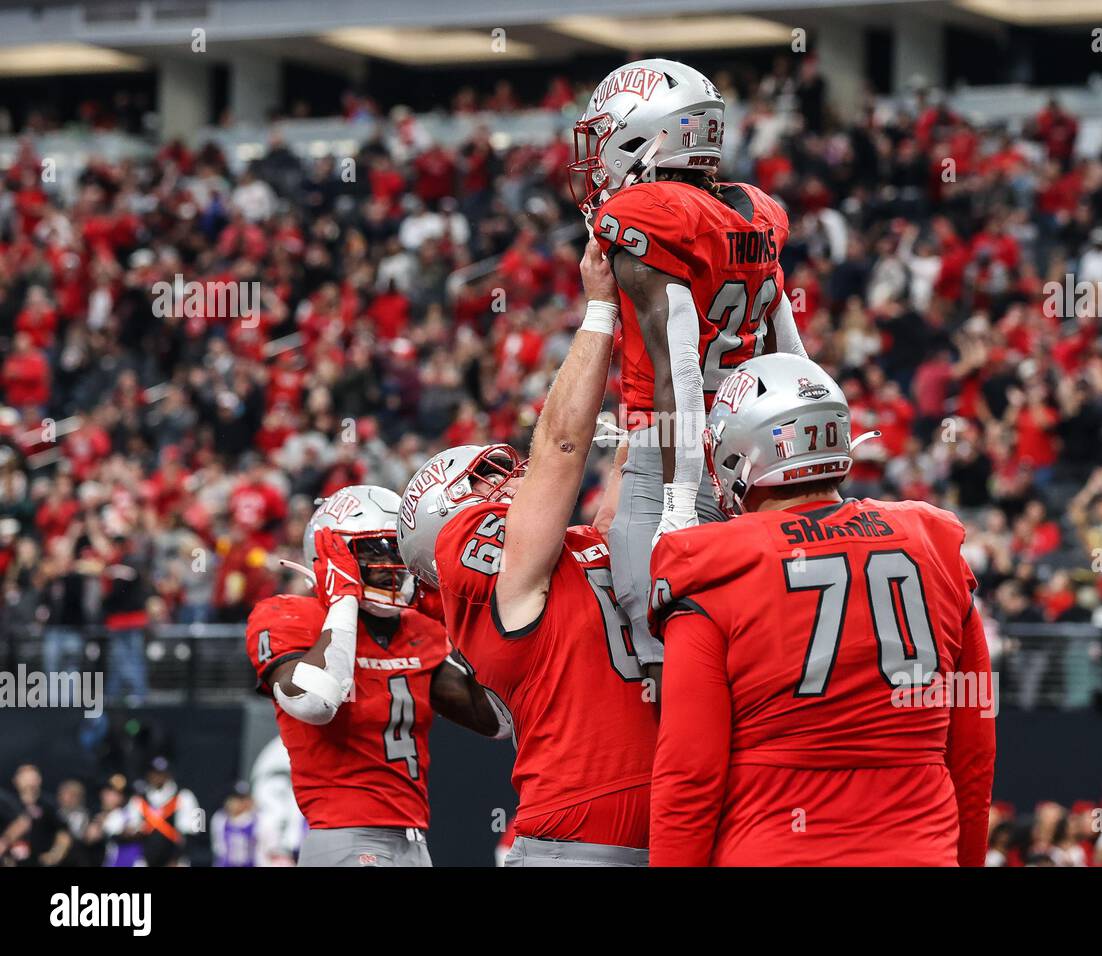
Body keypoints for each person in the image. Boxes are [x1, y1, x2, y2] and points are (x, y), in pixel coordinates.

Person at [647, 353, 997, 866]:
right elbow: (972, 754)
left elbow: (689, 777)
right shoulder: (932, 543)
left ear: (739, 454)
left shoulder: (715, 566)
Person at [397, 240, 658, 866]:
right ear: (447, 519)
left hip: (671, 836)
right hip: (571, 847)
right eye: (490, 475)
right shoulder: (473, 566)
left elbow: (635, 463)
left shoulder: (575, 548)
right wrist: (598, 310)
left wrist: (657, 316)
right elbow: (562, 449)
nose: (512, 473)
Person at [570, 58, 807, 690]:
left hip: (675, 458)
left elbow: (676, 367)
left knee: (671, 661)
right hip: (743, 457)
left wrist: (676, 507)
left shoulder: (649, 217)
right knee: (747, 659)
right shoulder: (753, 211)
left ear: (642, 137)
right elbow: (790, 355)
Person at [246, 486, 510, 867]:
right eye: (376, 550)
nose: (393, 564)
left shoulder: (417, 630)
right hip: (344, 836)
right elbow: (314, 701)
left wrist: (459, 621)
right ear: (332, 555)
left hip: (414, 841)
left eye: (398, 550)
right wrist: (343, 600)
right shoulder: (288, 615)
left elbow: (495, 720)